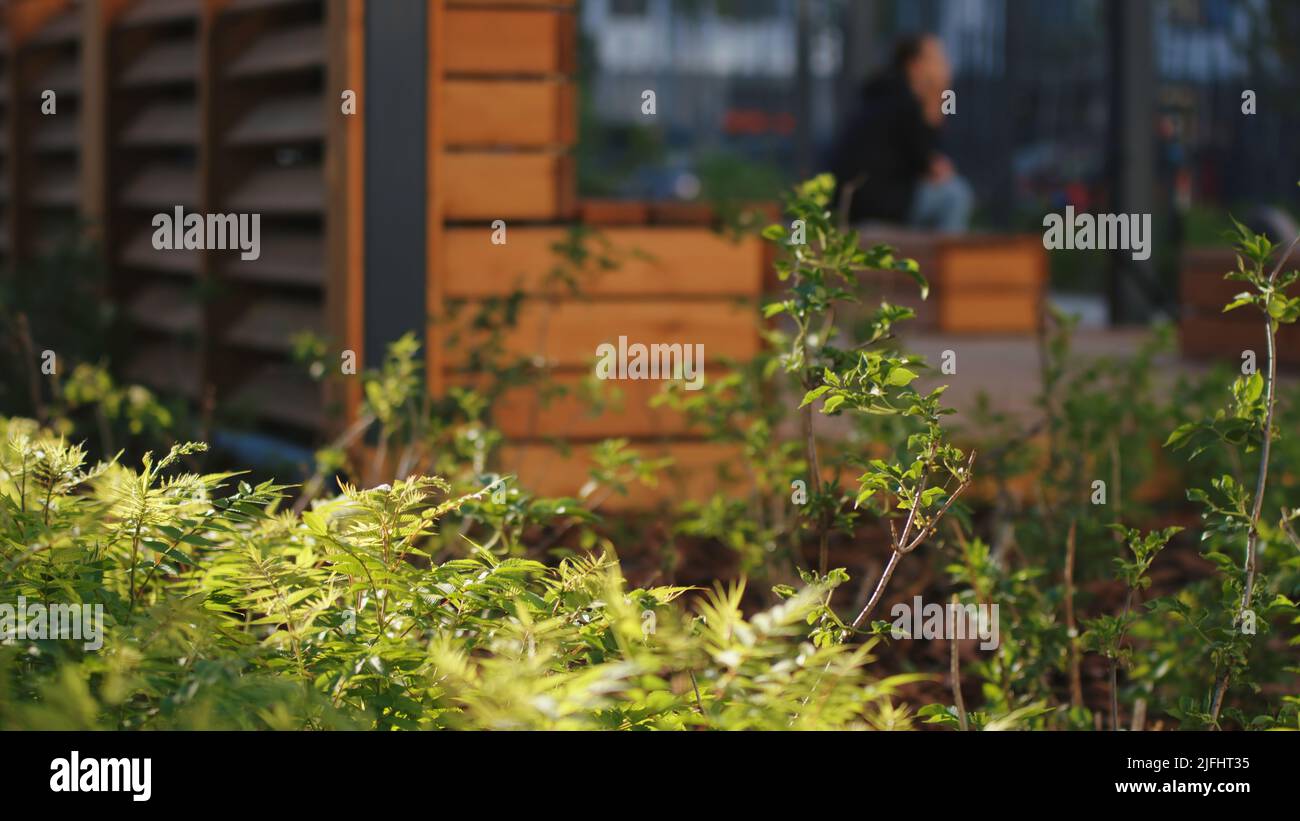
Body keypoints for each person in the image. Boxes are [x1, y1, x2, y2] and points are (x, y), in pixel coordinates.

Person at [829, 33, 973, 232]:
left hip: (854, 200)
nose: (945, 66)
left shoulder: (882, 92)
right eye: (937, 59)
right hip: (877, 202)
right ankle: (947, 259)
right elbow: (932, 165)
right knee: (956, 194)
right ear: (915, 65)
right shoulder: (904, 102)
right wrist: (937, 103)